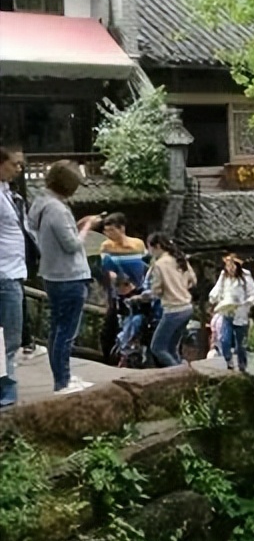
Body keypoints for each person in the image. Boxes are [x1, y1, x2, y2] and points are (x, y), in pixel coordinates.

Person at [26, 160, 102, 394]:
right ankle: (62, 382)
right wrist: (87, 226)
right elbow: (71, 245)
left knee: (58, 329)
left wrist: (75, 226)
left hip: (52, 274)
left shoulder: (40, 204)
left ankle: (64, 377)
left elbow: (51, 236)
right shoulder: (57, 209)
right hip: (69, 276)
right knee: (66, 332)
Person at [0, 144, 29, 405]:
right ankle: (6, 394)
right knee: (9, 339)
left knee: (8, 338)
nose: (19, 169)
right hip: (4, 274)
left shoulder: (8, 193)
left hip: (12, 272)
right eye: (15, 164)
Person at [146, 232, 196, 367]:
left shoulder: (159, 265)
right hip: (187, 307)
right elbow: (193, 281)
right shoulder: (180, 258)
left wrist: (145, 295)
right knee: (172, 347)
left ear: (156, 246)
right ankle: (181, 369)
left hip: (173, 309)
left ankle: (179, 372)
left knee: (157, 347)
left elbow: (156, 291)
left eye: (149, 248)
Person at [208, 254, 254, 373]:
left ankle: (242, 367)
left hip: (241, 313)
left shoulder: (246, 276)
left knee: (241, 344)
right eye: (228, 265)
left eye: (232, 265)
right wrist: (213, 298)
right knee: (224, 339)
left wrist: (249, 304)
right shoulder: (223, 276)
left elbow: (252, 293)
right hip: (227, 312)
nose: (230, 268)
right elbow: (218, 289)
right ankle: (229, 361)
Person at [99, 213, 147, 289]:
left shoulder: (138, 243)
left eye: (112, 230)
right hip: (119, 286)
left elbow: (146, 262)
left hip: (139, 284)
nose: (108, 234)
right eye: (106, 231)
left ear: (122, 228)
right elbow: (106, 267)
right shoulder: (106, 246)